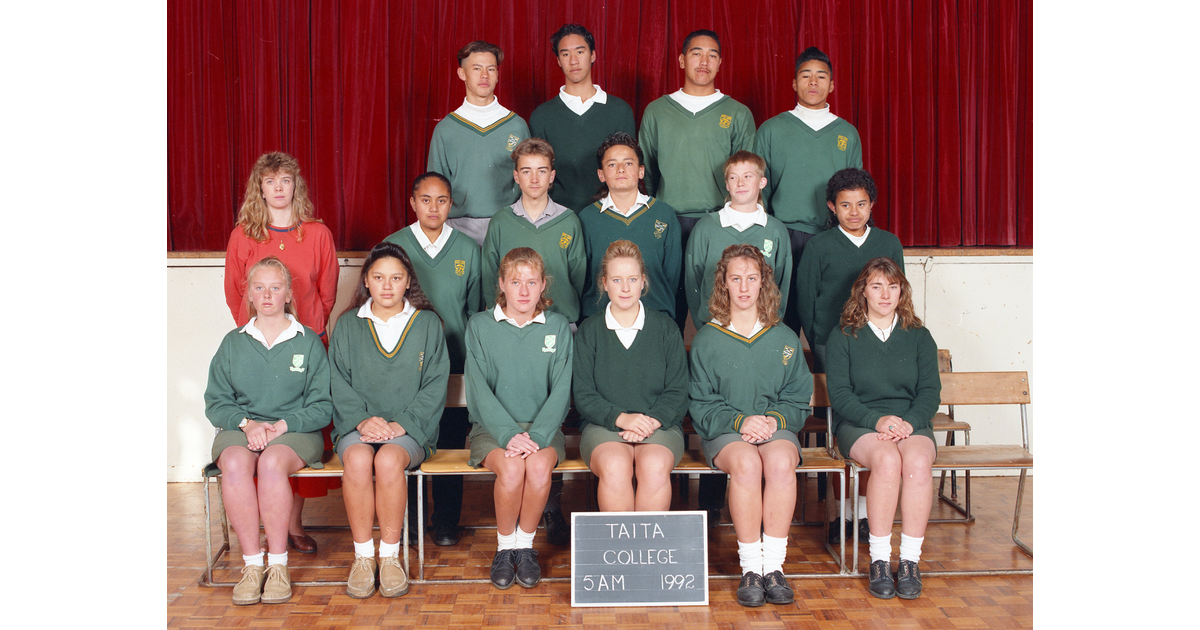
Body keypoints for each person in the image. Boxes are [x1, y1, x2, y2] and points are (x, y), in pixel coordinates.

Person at [223, 151, 338, 555]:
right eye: (270, 181)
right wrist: (259, 337)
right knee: (257, 437)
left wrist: (307, 334)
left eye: (285, 180)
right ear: (260, 187)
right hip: (261, 345)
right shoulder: (244, 235)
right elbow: (236, 293)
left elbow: (326, 293)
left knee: (295, 435)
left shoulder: (317, 234)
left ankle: (293, 523)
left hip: (305, 346)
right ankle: (262, 527)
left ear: (295, 186)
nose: (278, 188)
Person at [688, 244, 812, 608]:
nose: (744, 287)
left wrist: (773, 420)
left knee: (780, 463)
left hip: (774, 427)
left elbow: (797, 396)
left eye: (752, 278)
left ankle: (773, 567)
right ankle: (750, 569)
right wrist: (741, 421)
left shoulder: (783, 337)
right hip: (726, 431)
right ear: (723, 283)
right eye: (736, 278)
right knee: (746, 464)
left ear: (764, 283)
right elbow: (701, 403)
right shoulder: (708, 338)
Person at [205, 257, 333, 606]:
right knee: (234, 463)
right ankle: (251, 565)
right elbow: (216, 402)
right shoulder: (233, 343)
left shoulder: (308, 342)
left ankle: (277, 565)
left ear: (288, 294)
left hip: (295, 430)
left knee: (272, 463)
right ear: (248, 293)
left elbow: (322, 406)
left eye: (275, 287)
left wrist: (282, 426)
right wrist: (247, 424)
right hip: (243, 427)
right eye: (259, 287)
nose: (266, 295)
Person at [330, 242, 450, 599]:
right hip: (358, 427)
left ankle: (390, 556)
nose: (387, 285)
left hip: (410, 429)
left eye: (396, 278)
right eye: (378, 277)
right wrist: (361, 421)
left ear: (408, 281)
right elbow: (337, 381)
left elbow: (435, 383)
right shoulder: (348, 324)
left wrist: (403, 424)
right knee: (357, 458)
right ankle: (363, 557)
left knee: (387, 460)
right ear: (366, 280)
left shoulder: (427, 323)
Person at [796, 167, 905, 544]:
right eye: (845, 205)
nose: (854, 212)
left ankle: (863, 514)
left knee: (875, 427)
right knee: (840, 427)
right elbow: (806, 300)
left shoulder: (888, 242)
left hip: (877, 347)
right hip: (832, 346)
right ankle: (840, 514)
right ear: (832, 206)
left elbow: (898, 295)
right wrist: (820, 345)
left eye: (861, 204)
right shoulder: (819, 246)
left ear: (872, 205)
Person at [825, 257, 940, 600]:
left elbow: (929, 393)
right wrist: (877, 421)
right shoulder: (843, 336)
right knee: (887, 461)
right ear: (863, 291)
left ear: (902, 291)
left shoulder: (919, 336)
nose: (885, 294)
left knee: (917, 463)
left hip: (910, 422)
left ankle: (909, 562)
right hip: (860, 423)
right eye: (876, 286)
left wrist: (909, 423)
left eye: (892, 286)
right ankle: (878, 560)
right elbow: (840, 395)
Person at [465, 247, 573, 589]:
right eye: (515, 282)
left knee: (538, 468)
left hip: (544, 429)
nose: (524, 291)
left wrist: (537, 437)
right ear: (501, 284)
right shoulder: (480, 326)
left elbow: (561, 390)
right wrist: (508, 434)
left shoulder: (557, 326)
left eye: (531, 282)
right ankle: (504, 548)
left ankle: (525, 547)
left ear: (543, 285)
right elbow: (478, 389)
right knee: (512, 469)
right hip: (492, 429)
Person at [384, 172, 482, 546]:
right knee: (408, 437)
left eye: (441, 200)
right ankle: (411, 520)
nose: (434, 207)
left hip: (455, 360)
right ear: (413, 203)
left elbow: (476, 310)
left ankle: (445, 522)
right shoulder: (394, 246)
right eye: (426, 199)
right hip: (406, 363)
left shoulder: (467, 249)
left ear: (451, 204)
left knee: (450, 440)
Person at [573, 240, 688, 511]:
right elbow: (584, 394)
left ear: (643, 281)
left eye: (632, 279)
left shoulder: (666, 329)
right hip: (603, 426)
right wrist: (623, 419)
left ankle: (648, 541)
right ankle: (620, 541)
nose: (625, 288)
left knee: (654, 465)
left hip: (659, 426)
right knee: (615, 465)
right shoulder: (589, 331)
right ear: (604, 283)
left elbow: (678, 391)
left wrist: (650, 422)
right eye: (617, 280)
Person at [755, 46, 863, 267]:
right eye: (806, 76)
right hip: (783, 234)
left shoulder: (847, 133)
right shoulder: (771, 130)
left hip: (834, 234)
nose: (813, 82)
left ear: (831, 85)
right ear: (795, 83)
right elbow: (758, 191)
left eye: (821, 76)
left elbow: (856, 192)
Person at [428, 40, 529, 246]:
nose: (485, 75)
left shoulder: (517, 126)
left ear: (497, 75)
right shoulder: (446, 129)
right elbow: (435, 187)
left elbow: (529, 182)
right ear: (462, 73)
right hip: (458, 226)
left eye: (491, 69)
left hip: (508, 224)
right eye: (476, 68)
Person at [529, 24, 637, 213]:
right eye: (565, 54)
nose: (573, 61)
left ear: (593, 55)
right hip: (558, 216)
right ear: (558, 61)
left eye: (580, 52)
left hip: (610, 214)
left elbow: (629, 171)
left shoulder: (620, 111)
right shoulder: (542, 116)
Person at [481, 138, 586, 325]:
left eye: (542, 171)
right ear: (516, 176)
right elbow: (490, 278)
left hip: (560, 322)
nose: (534, 179)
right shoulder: (500, 222)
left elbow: (578, 277)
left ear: (552, 176)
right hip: (511, 324)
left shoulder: (569, 221)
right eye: (526, 171)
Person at [578, 133, 682, 320]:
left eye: (628, 163)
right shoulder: (587, 218)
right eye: (612, 164)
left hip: (655, 319)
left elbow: (671, 278)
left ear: (641, 171)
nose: (620, 170)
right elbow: (583, 280)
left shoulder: (664, 214)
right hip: (600, 320)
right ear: (601, 174)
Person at [684, 150, 792, 327]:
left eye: (748, 176)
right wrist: (703, 324)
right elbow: (692, 281)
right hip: (715, 325)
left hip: (761, 327)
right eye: (733, 177)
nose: (740, 183)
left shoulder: (776, 230)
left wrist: (771, 321)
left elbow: (781, 282)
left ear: (762, 182)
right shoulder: (705, 227)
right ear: (727, 185)